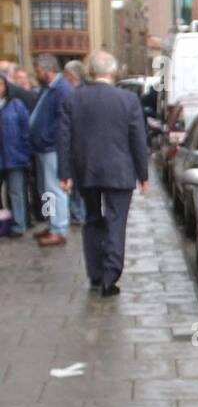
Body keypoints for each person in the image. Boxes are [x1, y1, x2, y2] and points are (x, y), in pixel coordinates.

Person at [57, 50, 148, 296]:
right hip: (120, 172)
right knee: (116, 223)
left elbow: (63, 139)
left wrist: (65, 174)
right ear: (113, 71)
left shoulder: (73, 99)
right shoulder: (128, 100)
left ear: (91, 72)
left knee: (92, 220)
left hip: (86, 171)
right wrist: (143, 175)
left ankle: (95, 274)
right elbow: (138, 139)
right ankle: (110, 277)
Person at [29, 53, 72, 246]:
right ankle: (51, 223)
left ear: (48, 70)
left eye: (38, 71)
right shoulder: (49, 89)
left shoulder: (62, 90)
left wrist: (45, 137)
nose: (36, 74)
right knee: (47, 191)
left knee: (55, 189)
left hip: (52, 148)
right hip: (43, 148)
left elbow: (62, 122)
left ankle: (59, 228)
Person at [0, 74, 32, 238]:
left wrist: (25, 153)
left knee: (16, 193)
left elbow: (26, 131)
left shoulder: (16, 105)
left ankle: (19, 224)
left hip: (15, 157)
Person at [62, 60, 88, 225]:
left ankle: (79, 214)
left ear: (71, 77)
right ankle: (80, 214)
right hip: (83, 147)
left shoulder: (73, 95)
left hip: (77, 146)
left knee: (77, 186)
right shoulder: (85, 92)